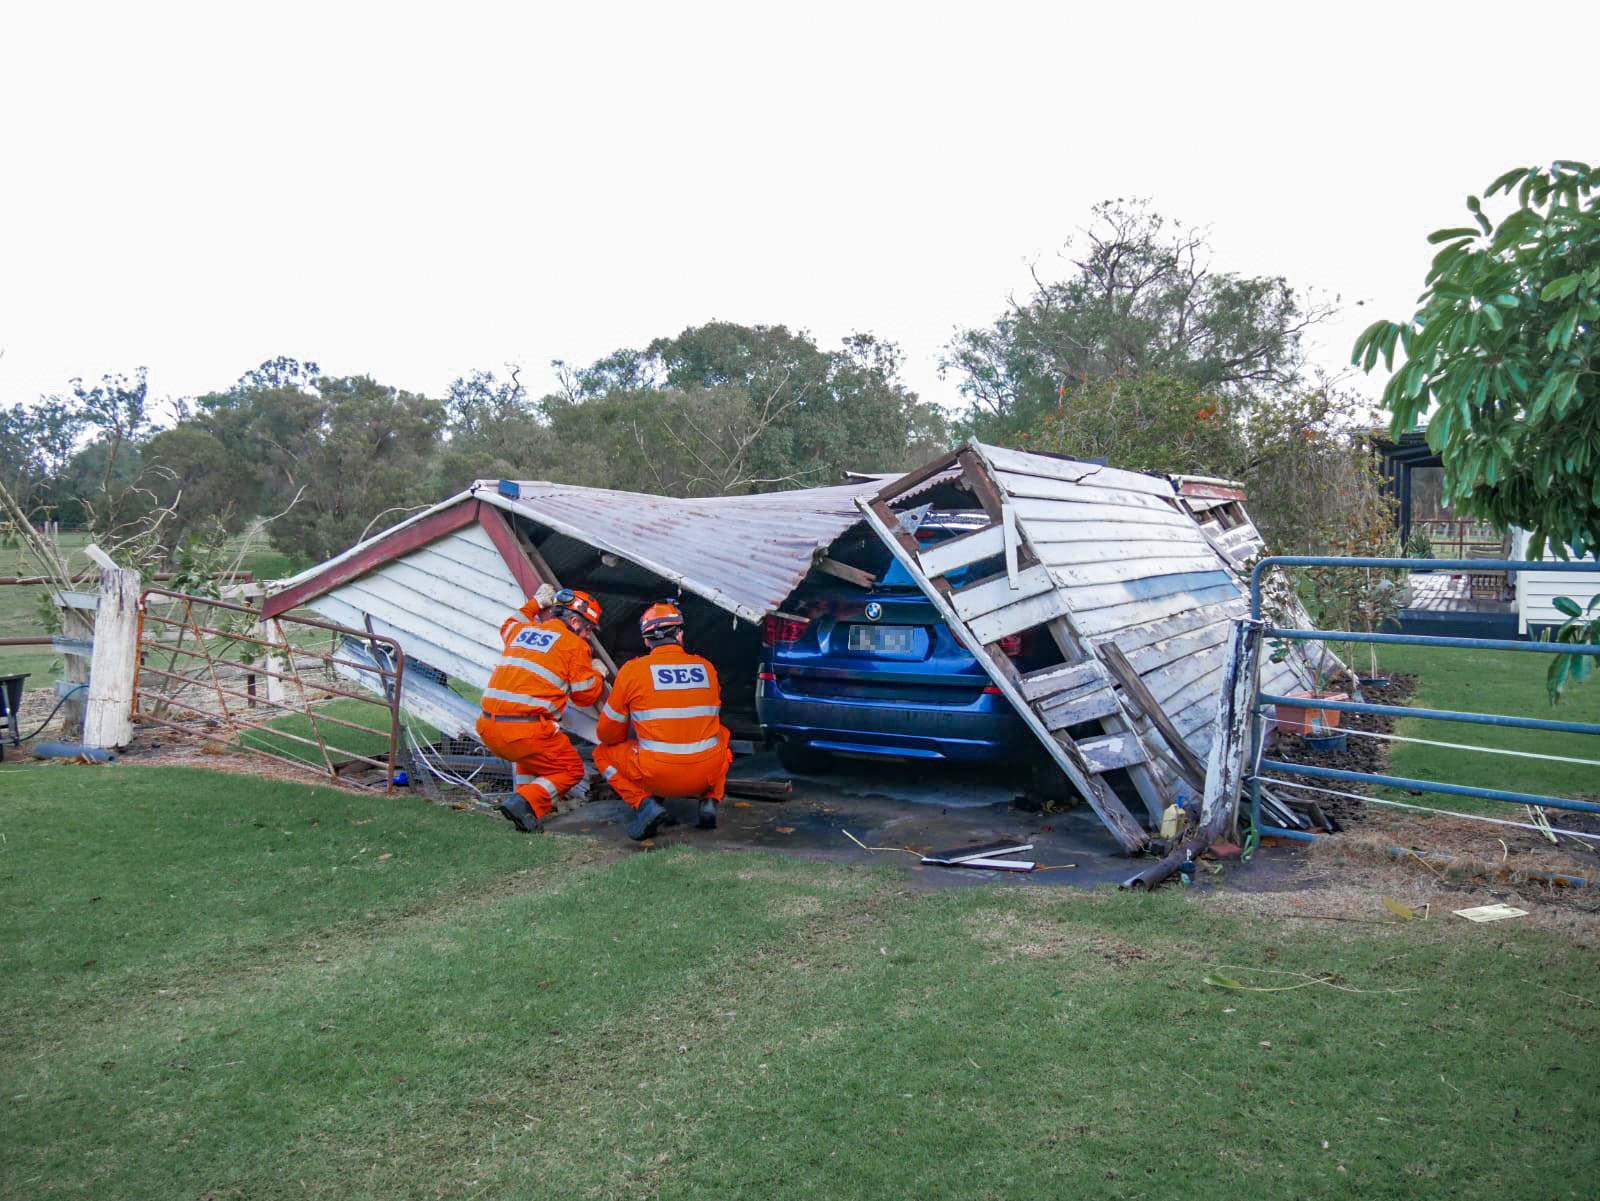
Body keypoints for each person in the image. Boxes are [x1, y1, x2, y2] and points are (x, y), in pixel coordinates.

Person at [593, 600, 731, 841]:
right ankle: (710, 801)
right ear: (679, 635)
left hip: (655, 773)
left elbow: (607, 734)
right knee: (723, 737)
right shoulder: (706, 668)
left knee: (602, 753)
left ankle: (644, 804)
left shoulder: (632, 671)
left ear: (646, 641)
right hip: (704, 774)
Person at [475, 588, 607, 833]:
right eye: (589, 628)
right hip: (527, 730)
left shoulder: (522, 631)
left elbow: (508, 624)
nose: (589, 635)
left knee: (530, 759)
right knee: (570, 769)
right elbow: (584, 695)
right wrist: (598, 673)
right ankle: (524, 802)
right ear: (575, 621)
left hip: (488, 727)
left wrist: (535, 603)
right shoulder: (575, 645)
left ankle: (526, 813)